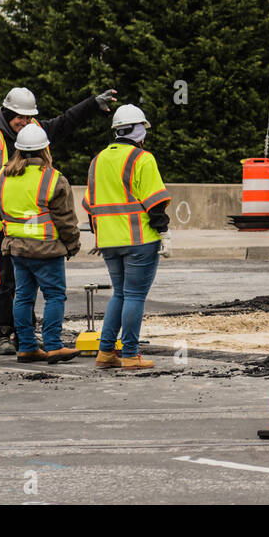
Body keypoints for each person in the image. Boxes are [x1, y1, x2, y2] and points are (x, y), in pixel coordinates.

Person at [0, 85, 116, 355]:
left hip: (28, 232)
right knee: (10, 286)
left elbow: (65, 122)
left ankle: (25, 340)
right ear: (6, 113)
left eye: (28, 118)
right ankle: (4, 335)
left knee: (25, 291)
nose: (25, 123)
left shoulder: (34, 131)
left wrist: (91, 105)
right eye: (20, 118)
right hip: (10, 231)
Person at [0, 125, 81, 364]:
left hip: (16, 248)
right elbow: (65, 219)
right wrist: (72, 244)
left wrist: (11, 218)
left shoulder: (3, 176)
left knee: (23, 297)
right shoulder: (53, 178)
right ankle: (54, 346)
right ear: (45, 149)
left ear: (17, 150)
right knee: (55, 296)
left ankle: (26, 346)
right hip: (47, 248)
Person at [82, 105, 171, 370]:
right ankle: (131, 354)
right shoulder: (142, 158)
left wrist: (99, 234)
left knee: (120, 294)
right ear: (138, 130)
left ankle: (106, 352)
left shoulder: (98, 160)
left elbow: (90, 204)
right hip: (139, 239)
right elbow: (155, 203)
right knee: (134, 296)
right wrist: (164, 232)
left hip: (109, 241)